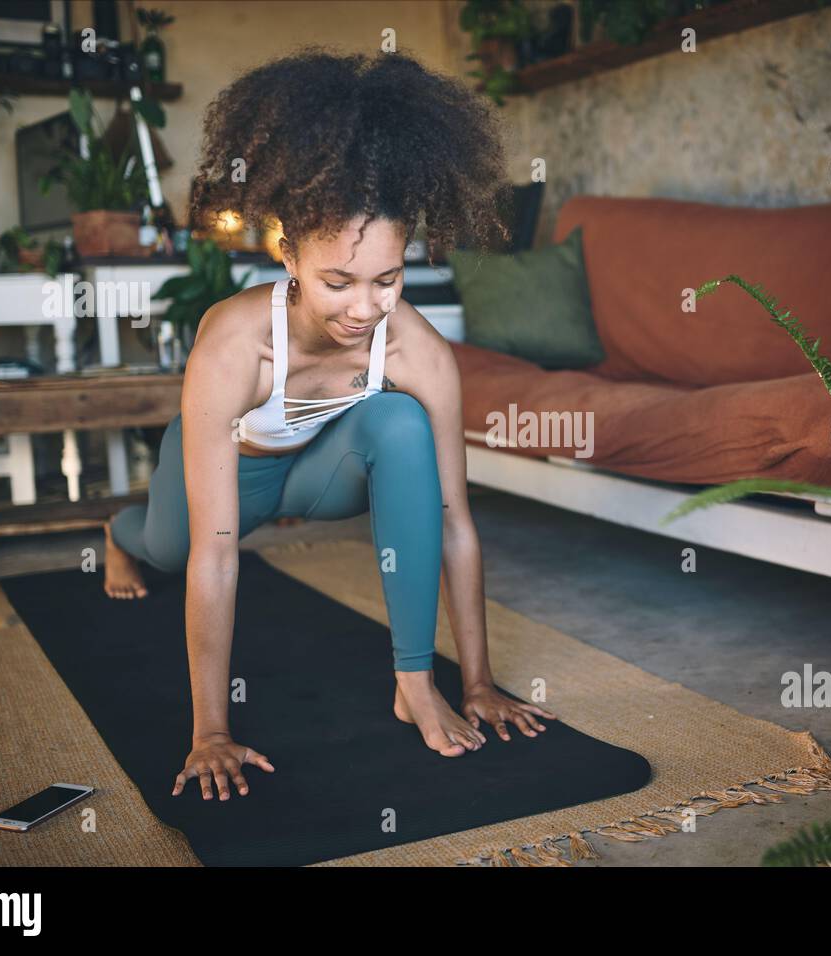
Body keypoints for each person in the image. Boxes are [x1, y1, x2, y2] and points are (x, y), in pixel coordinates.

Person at [101, 46, 556, 801]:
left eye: (388, 278)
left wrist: (478, 683)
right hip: (232, 476)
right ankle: (116, 533)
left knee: (401, 424)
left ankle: (414, 684)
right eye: (337, 282)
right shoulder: (234, 342)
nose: (364, 307)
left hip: (323, 472)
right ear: (287, 254)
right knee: (170, 547)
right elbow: (218, 559)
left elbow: (454, 524)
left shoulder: (418, 349)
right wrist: (211, 732)